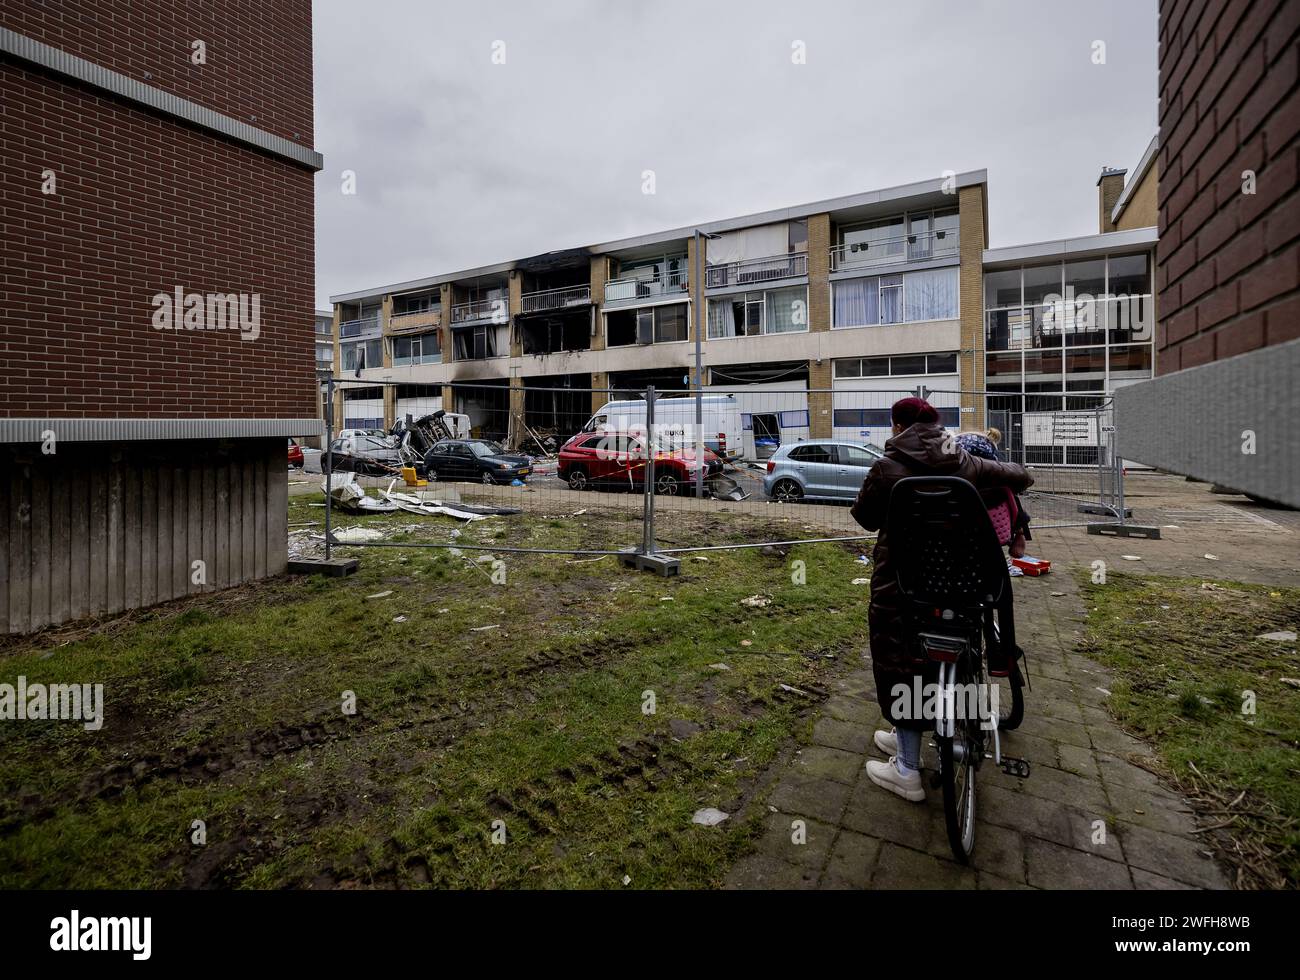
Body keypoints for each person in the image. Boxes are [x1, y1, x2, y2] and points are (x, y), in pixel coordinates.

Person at [850, 399, 1033, 802]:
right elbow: (1019, 476)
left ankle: (907, 768)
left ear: (896, 424)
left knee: (900, 659)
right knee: (958, 648)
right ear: (936, 425)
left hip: (902, 586)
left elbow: (864, 517)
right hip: (965, 583)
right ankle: (910, 738)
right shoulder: (964, 460)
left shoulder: (887, 467)